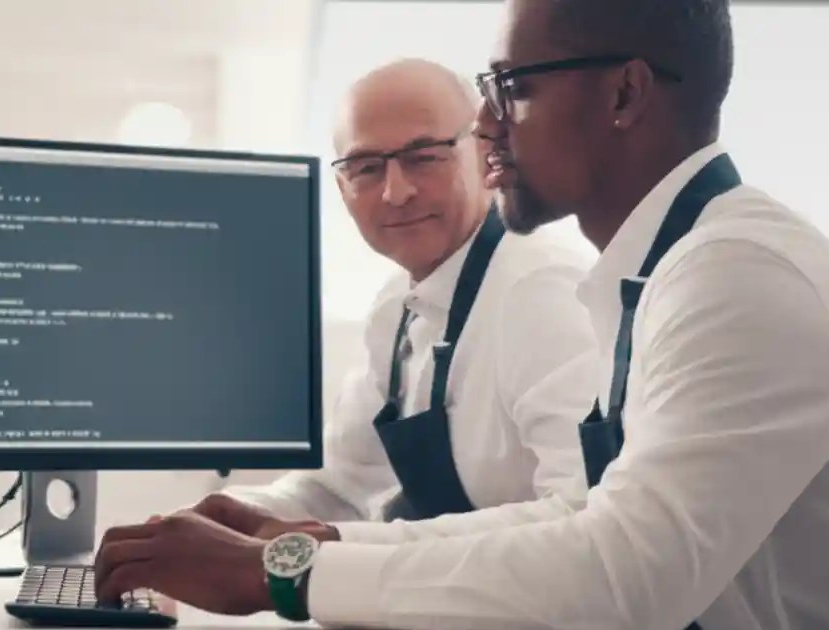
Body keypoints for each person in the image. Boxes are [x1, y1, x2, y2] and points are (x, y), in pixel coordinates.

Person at [94, 1, 829, 630]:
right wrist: (309, 542)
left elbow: (624, 571)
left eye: (511, 89)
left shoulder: (734, 274)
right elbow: (584, 516)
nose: (485, 127)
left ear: (624, 93)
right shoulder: (662, 273)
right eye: (364, 167)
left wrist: (282, 573)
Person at [195, 57, 598, 540]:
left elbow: (581, 517)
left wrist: (339, 546)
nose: (395, 192)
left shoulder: (542, 291)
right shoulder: (397, 309)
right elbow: (340, 489)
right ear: (342, 188)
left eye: (423, 157)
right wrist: (218, 518)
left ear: (486, 153)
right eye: (366, 168)